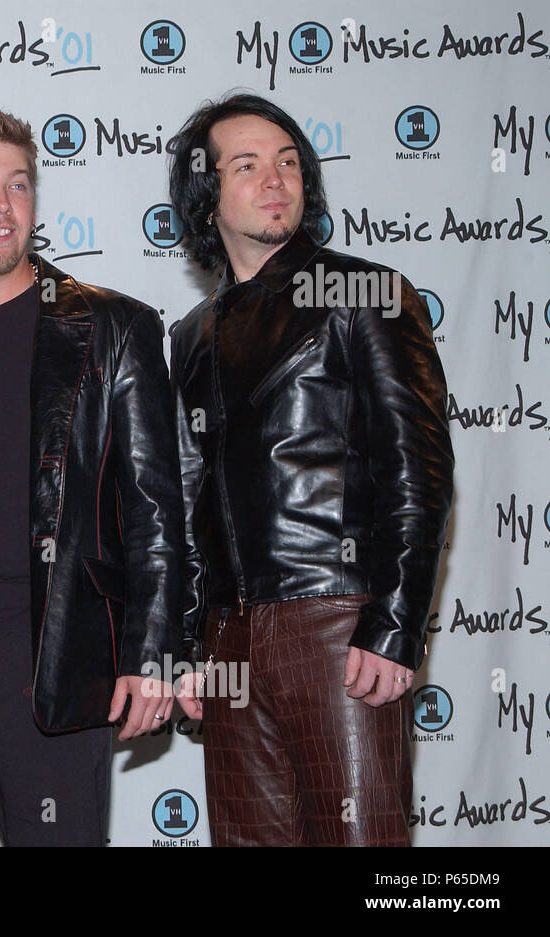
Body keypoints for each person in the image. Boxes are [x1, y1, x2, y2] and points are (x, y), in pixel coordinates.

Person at [0, 109, 184, 846]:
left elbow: (155, 506)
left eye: (18, 185)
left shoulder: (113, 327)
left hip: (53, 652)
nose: (1, 205)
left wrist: (152, 654)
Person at [166, 92, 453, 846]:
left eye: (290, 163)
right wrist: (193, 645)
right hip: (231, 642)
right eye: (249, 165)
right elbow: (193, 501)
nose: (276, 180)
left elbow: (418, 467)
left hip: (336, 624)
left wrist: (393, 624)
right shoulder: (190, 336)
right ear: (206, 200)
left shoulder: (367, 292)